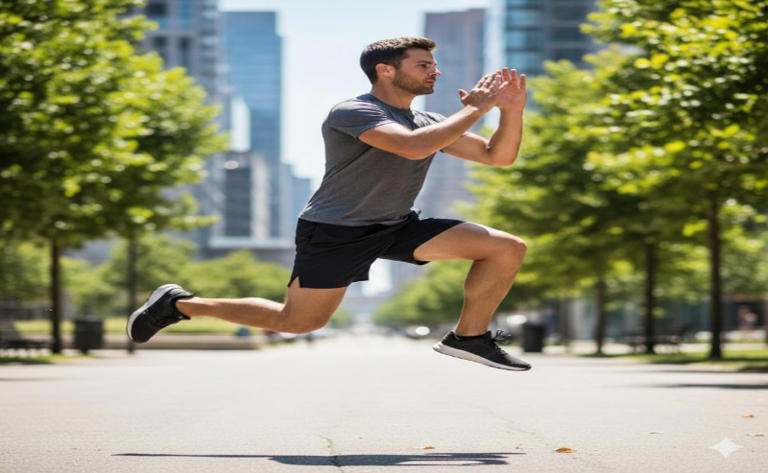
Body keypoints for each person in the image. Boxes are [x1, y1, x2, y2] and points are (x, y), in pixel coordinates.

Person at [127, 37, 531, 371]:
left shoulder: (429, 120)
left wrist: (511, 112)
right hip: (338, 230)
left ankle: (469, 336)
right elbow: (411, 148)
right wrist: (475, 107)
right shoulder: (354, 111)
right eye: (423, 65)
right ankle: (179, 304)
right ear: (385, 70)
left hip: (396, 225)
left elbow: (498, 156)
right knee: (297, 321)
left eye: (433, 65)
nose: (435, 72)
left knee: (506, 247)